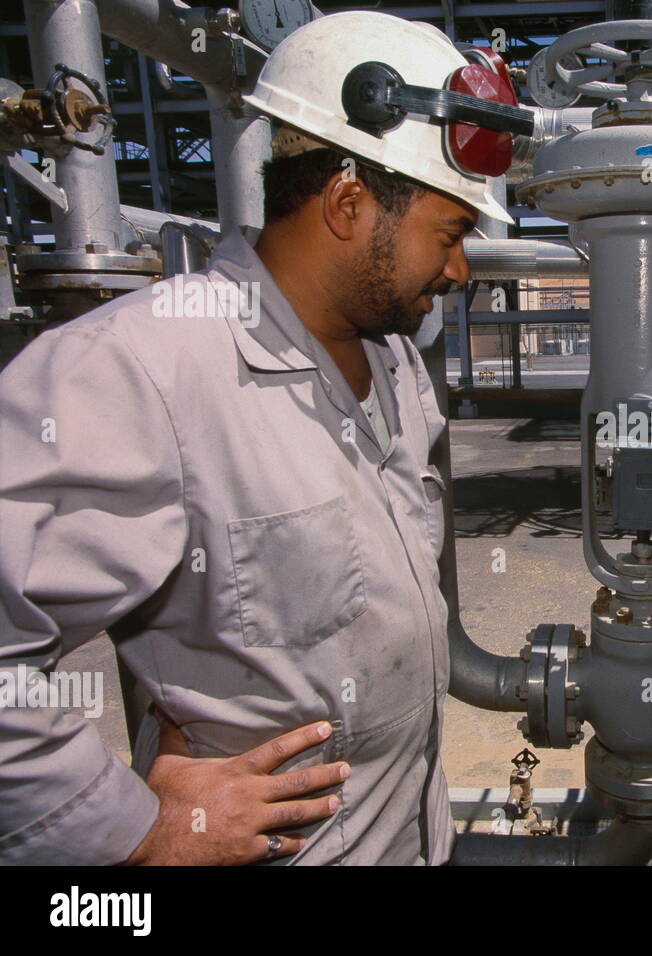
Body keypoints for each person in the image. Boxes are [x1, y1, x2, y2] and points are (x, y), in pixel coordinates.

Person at [0, 11, 522, 864]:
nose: (461, 269)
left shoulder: (396, 368)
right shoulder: (138, 371)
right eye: (451, 232)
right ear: (350, 203)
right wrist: (127, 828)